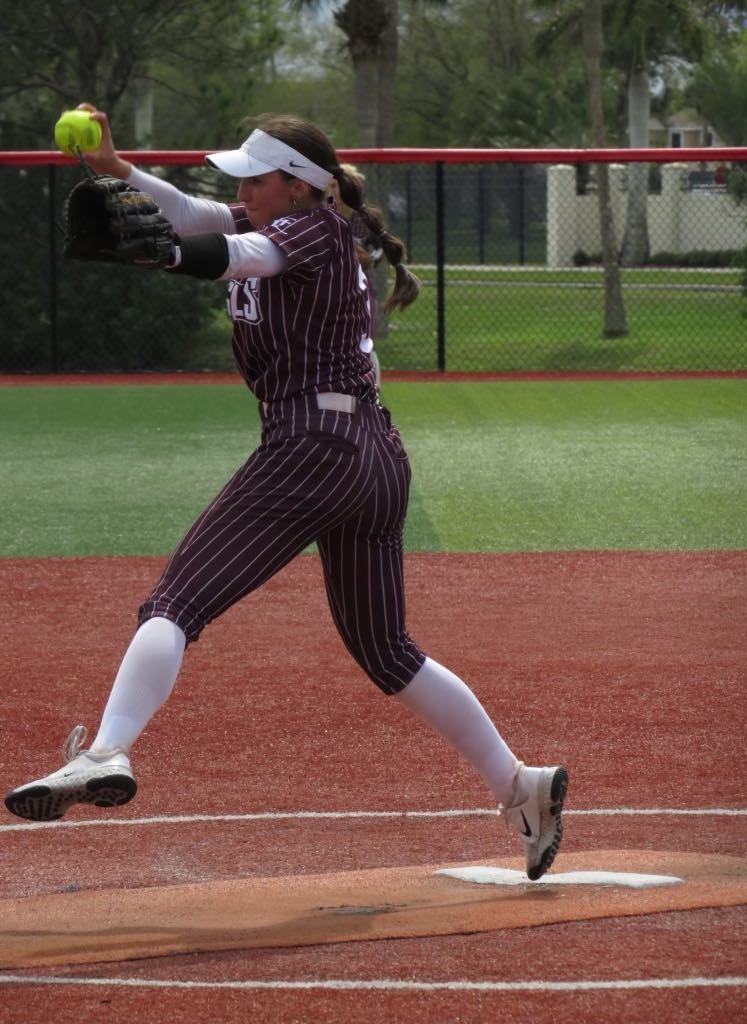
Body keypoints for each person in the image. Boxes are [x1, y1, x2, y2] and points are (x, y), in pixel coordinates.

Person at [4, 105, 568, 880]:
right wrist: (117, 171)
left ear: (298, 184)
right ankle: (520, 785)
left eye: (257, 175)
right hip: (372, 457)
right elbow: (203, 215)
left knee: (175, 604)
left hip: (313, 448)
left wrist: (165, 256)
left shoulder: (309, 230)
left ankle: (105, 751)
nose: (242, 184)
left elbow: (236, 253)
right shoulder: (286, 216)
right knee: (387, 651)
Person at [326, 162, 385, 385]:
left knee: (362, 341)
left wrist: (368, 259)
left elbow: (379, 251)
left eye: (338, 185)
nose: (332, 190)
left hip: (359, 287)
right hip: (329, 289)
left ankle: (369, 386)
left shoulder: (366, 218)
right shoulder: (320, 218)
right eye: (330, 185)